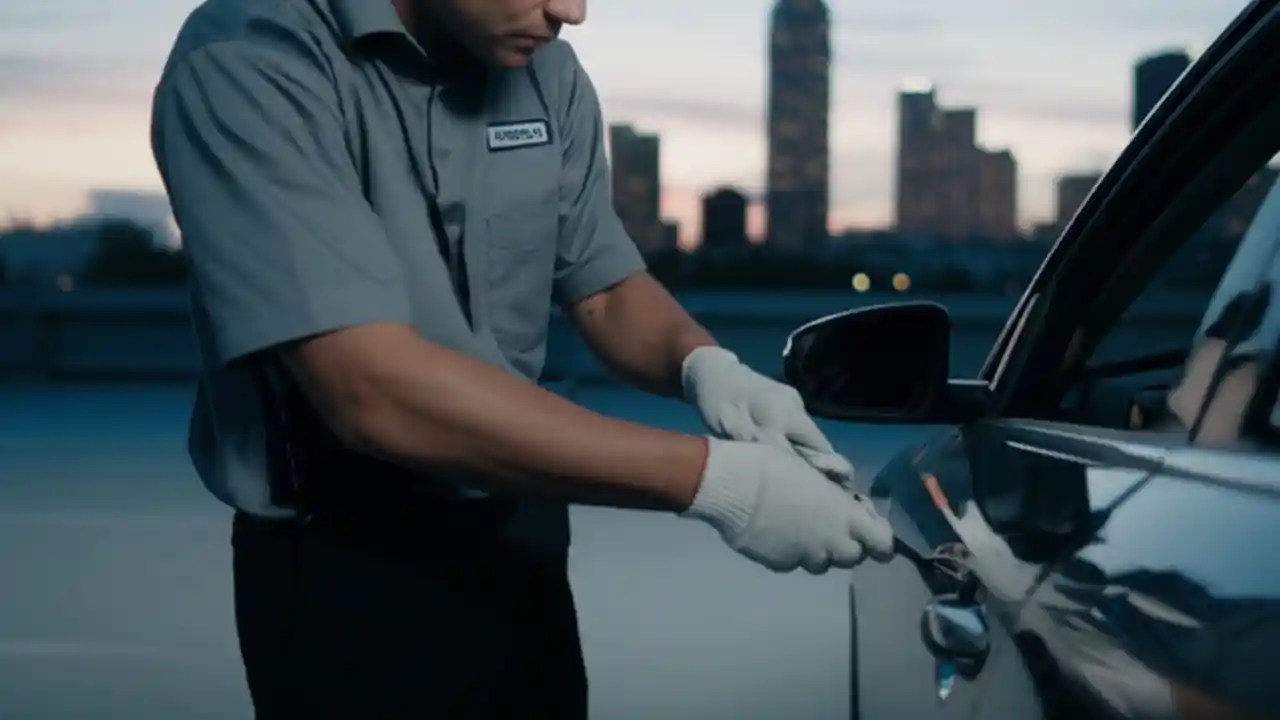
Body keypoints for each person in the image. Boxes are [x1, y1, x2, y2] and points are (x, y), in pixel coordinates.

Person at [150, 0, 894, 716]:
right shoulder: (250, 63)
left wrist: (708, 368)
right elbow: (369, 391)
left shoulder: (549, 74)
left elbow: (604, 286)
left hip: (521, 525)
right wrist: (721, 483)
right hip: (346, 561)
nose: (572, 11)